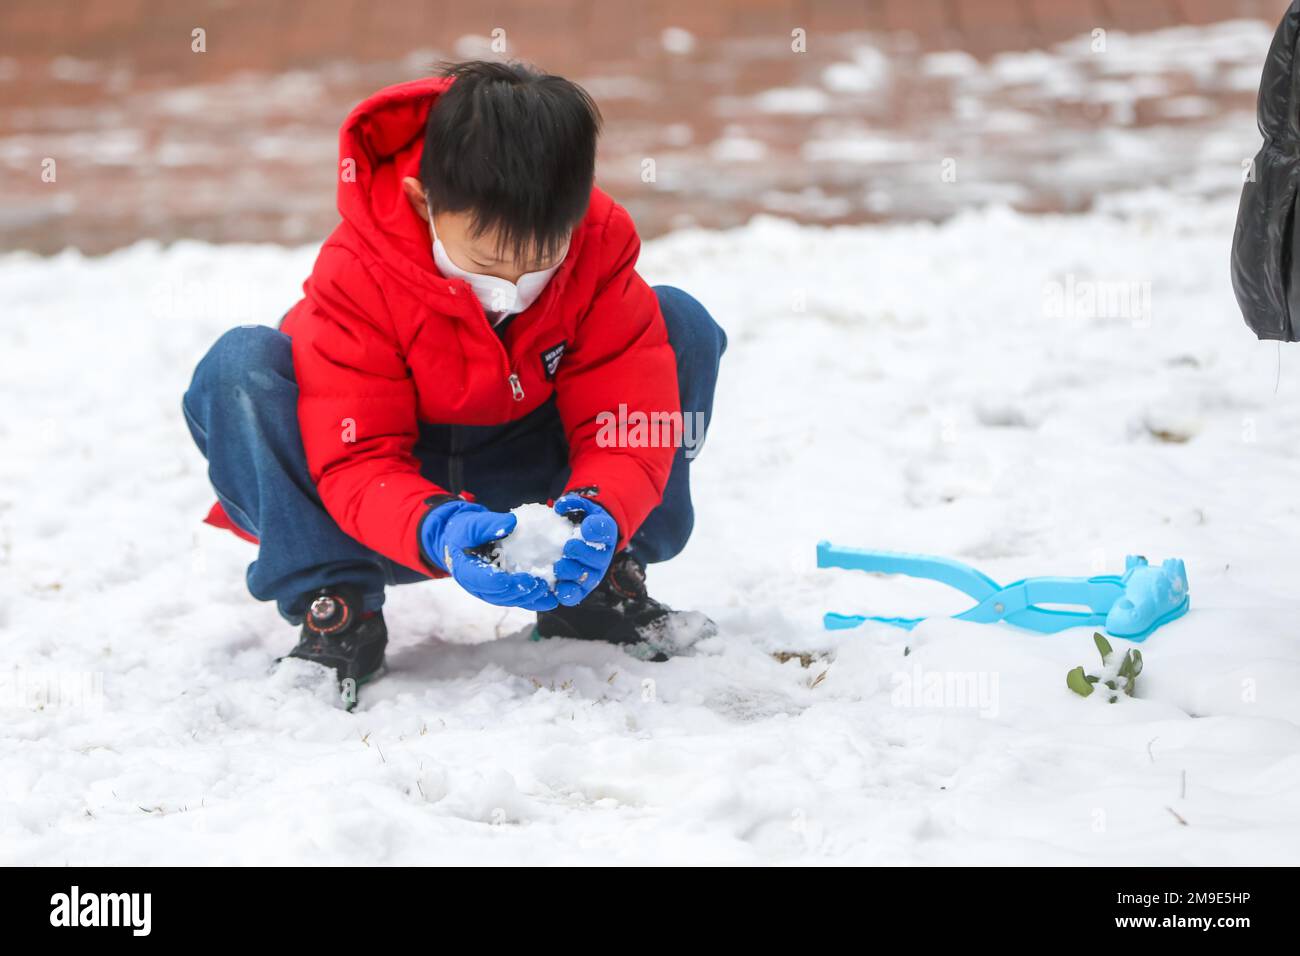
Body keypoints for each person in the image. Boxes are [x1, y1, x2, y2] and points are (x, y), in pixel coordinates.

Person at [182, 61, 726, 701]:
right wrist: (434, 527)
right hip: (376, 498)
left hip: (530, 471)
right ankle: (339, 608)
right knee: (241, 367)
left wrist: (601, 511)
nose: (514, 287)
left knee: (678, 323)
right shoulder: (359, 269)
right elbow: (356, 456)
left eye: (543, 257)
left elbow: (626, 419)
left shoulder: (600, 247)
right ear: (424, 201)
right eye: (489, 260)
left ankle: (602, 584)